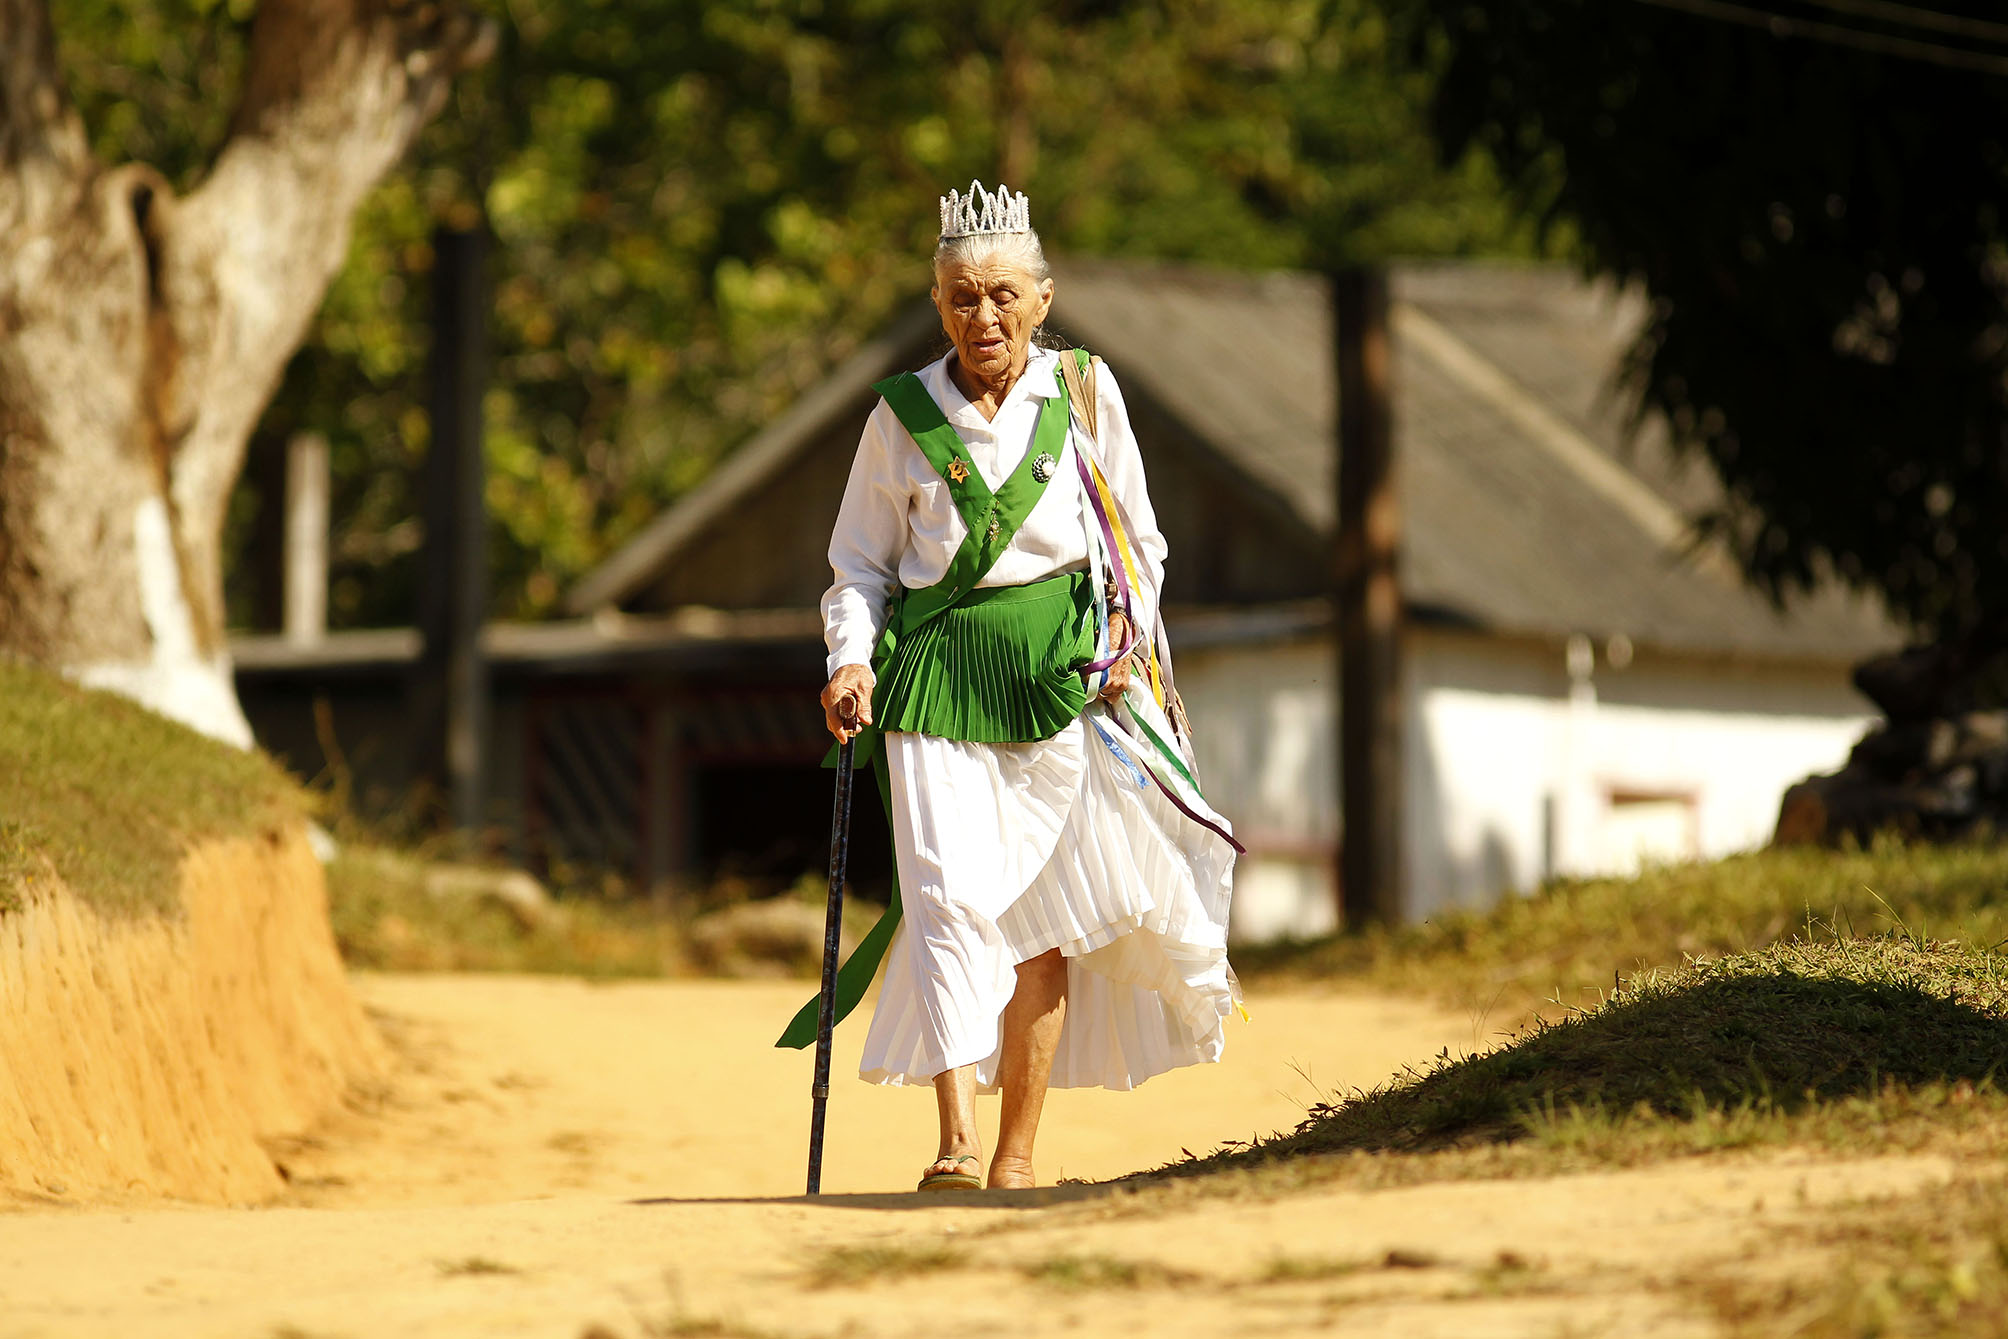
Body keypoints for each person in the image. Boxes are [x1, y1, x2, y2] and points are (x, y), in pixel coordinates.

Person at [805, 181, 1240, 1192]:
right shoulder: (901, 416)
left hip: (1062, 679)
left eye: (1002, 293)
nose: (982, 315)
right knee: (949, 897)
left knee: (1040, 920)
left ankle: (1015, 1154)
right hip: (935, 680)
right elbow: (859, 566)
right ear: (937, 302)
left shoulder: (1085, 392)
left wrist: (1128, 645)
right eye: (961, 295)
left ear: (1043, 299)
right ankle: (954, 1140)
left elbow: (1135, 540)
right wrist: (850, 660)